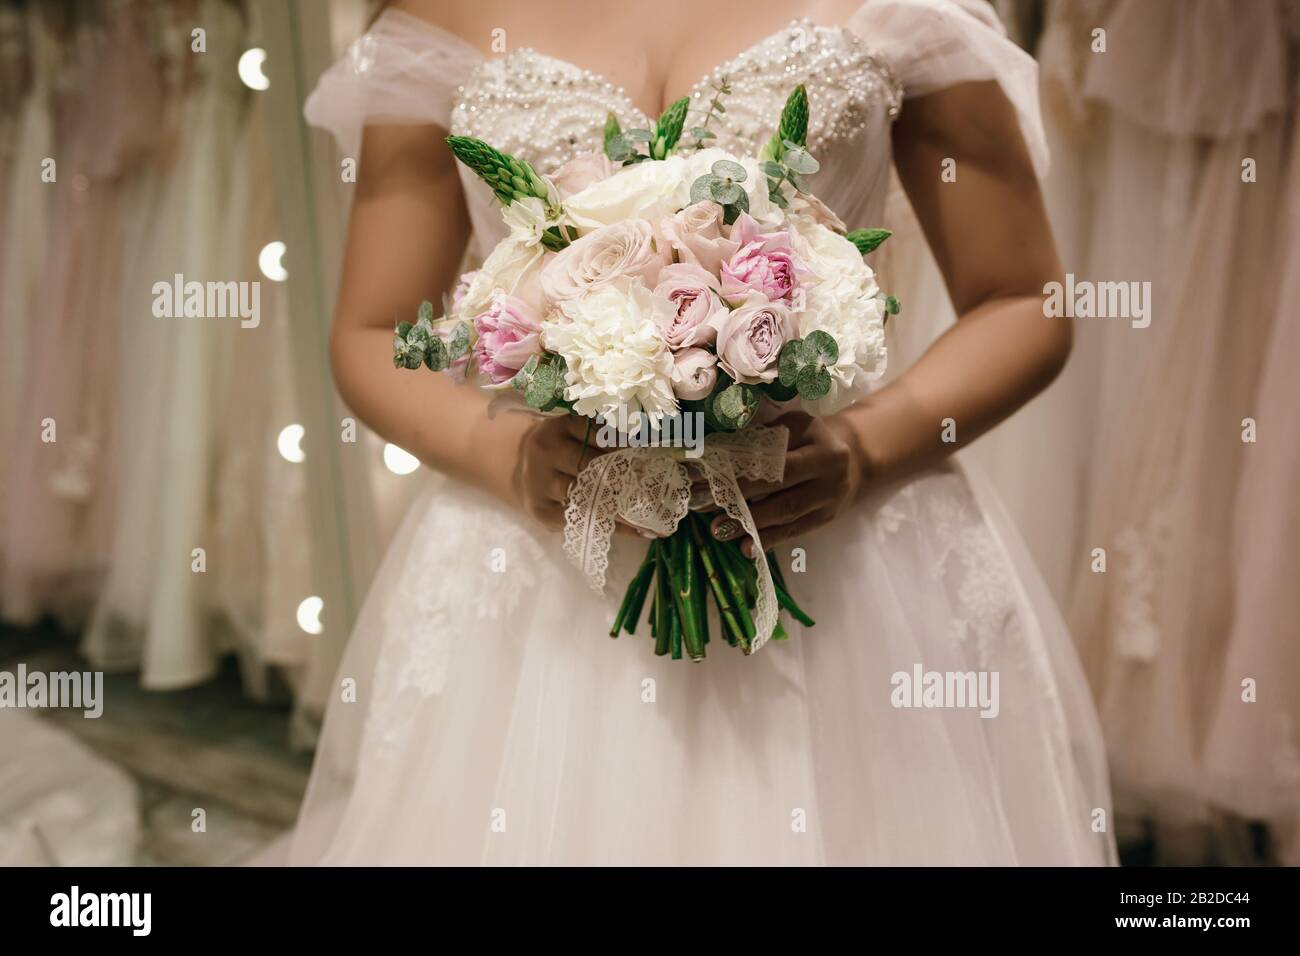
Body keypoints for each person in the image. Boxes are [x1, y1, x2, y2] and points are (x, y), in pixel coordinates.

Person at [288, 0, 1115, 865]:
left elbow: (1024, 300)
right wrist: (507, 455)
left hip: (837, 543)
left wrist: (867, 450)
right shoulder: (441, 11)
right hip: (545, 561)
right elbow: (372, 333)